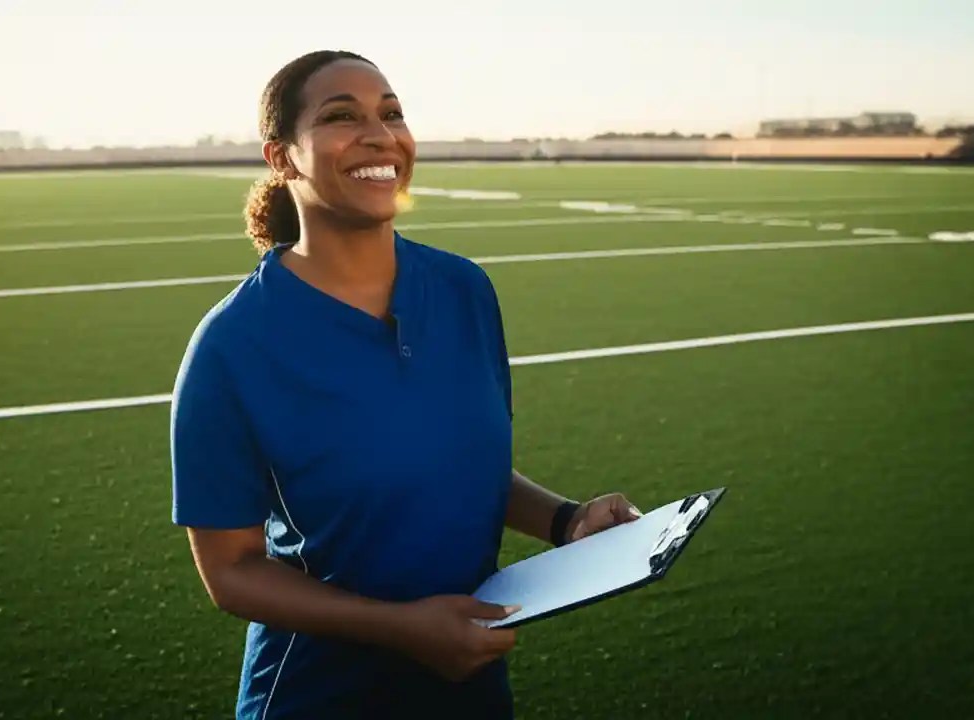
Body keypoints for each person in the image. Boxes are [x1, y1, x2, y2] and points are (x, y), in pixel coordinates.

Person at [170, 49, 643, 720]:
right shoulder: (232, 345)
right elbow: (230, 571)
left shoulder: (464, 289)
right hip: (318, 696)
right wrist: (400, 629)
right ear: (282, 157)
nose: (379, 135)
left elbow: (460, 466)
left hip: (470, 690)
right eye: (341, 117)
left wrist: (567, 521)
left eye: (391, 114)